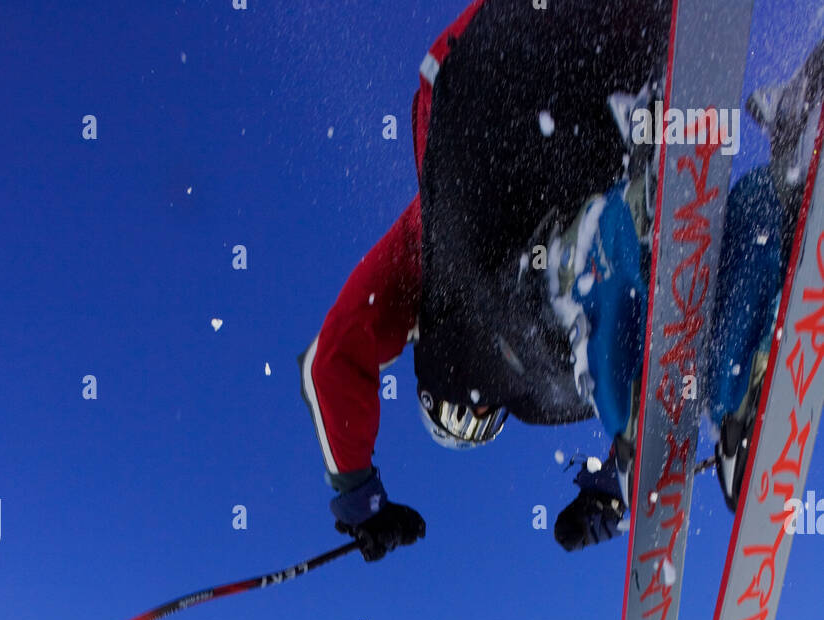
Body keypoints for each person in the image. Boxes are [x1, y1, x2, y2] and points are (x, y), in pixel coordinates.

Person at [300, 0, 822, 559]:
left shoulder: (428, 242)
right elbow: (666, 323)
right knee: (667, 288)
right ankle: (778, 195)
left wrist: (357, 495)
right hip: (623, 56)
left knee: (490, 360)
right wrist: (616, 483)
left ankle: (579, 267)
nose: (476, 413)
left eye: (456, 416)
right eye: (479, 426)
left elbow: (330, 357)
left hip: (499, 76)